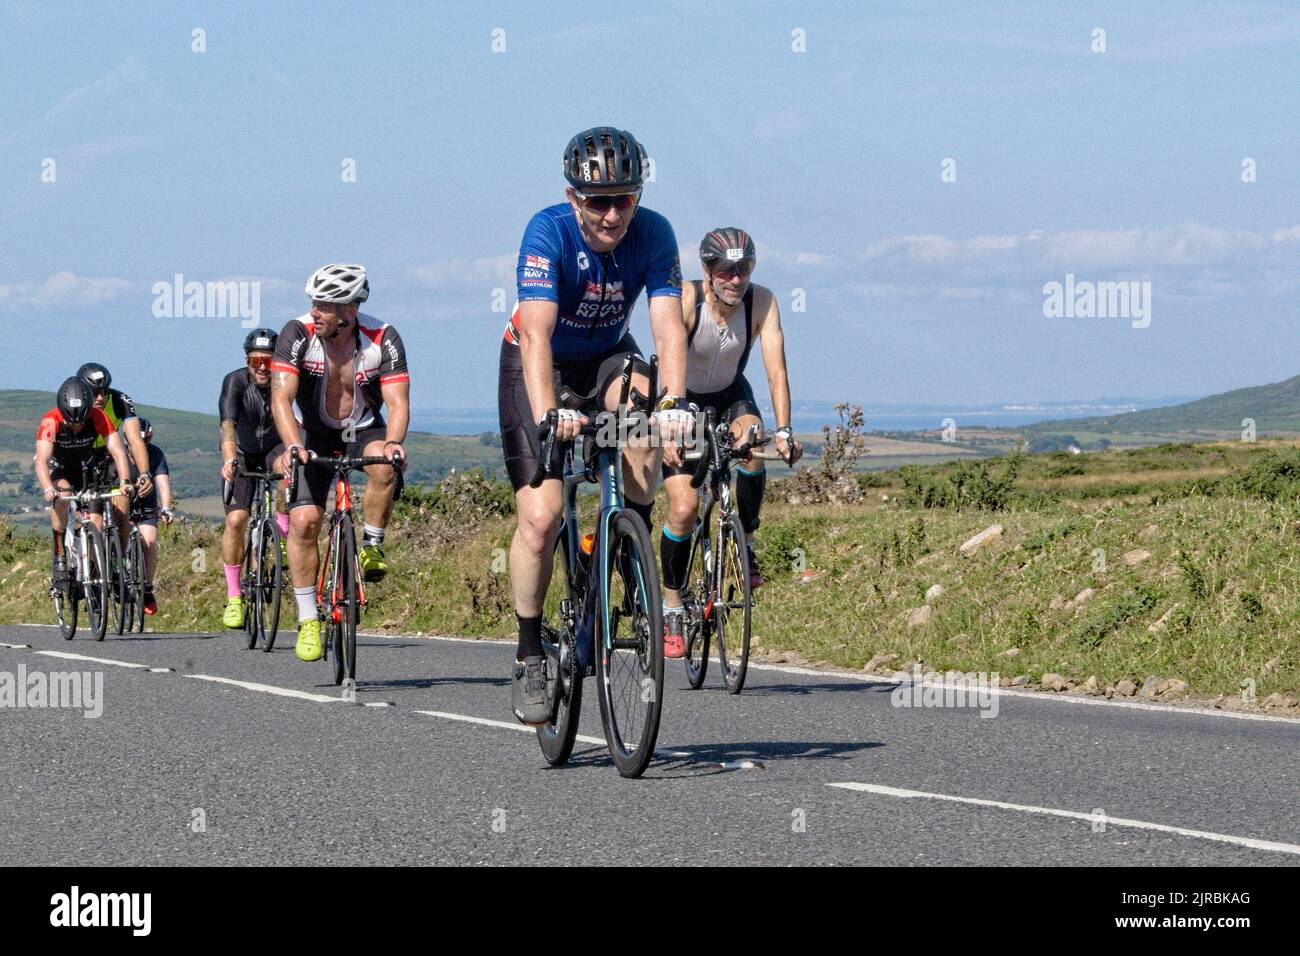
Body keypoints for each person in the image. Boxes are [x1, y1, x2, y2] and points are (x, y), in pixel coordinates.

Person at [499, 126, 691, 724]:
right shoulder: (547, 230)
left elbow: (667, 328)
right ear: (573, 196)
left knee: (644, 418)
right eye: (598, 201)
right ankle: (531, 653)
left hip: (609, 355)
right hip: (540, 363)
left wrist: (675, 406)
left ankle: (626, 547)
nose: (612, 214)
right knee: (540, 518)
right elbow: (535, 334)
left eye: (624, 199)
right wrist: (548, 413)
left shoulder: (655, 233)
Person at [659, 228, 803, 647]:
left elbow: (776, 369)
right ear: (707, 270)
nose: (735, 279)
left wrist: (785, 429)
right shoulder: (687, 299)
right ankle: (671, 605)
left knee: (753, 442)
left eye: (743, 270)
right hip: (680, 400)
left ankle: (748, 541)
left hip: (729, 395)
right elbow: (668, 360)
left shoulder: (763, 301)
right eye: (725, 270)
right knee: (684, 508)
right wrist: (668, 420)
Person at [271, 264, 409, 663]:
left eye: (325, 306)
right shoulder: (296, 333)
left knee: (384, 464)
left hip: (362, 428)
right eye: (314, 303)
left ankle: (371, 545)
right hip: (312, 435)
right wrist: (293, 445)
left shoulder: (383, 337)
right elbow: (281, 399)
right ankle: (308, 617)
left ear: (349, 312)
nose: (315, 312)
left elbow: (398, 402)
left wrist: (395, 442)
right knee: (305, 522)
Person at [218, 328, 292, 629]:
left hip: (274, 447)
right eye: (256, 360)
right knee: (236, 521)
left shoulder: (286, 380)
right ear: (247, 361)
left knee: (291, 471)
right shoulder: (235, 381)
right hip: (244, 452)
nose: (262, 367)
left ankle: (281, 534)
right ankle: (234, 596)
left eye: (269, 361)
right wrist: (229, 458)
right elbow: (227, 423)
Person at [34, 378, 134, 583]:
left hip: (87, 470)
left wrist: (125, 480)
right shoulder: (50, 421)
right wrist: (47, 488)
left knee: (96, 521)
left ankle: (95, 576)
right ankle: (60, 552)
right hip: (60, 470)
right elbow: (41, 461)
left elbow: (118, 451)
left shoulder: (98, 416)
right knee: (63, 495)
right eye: (72, 422)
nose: (78, 426)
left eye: (82, 420)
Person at [76, 362, 152, 553]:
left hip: (108, 455)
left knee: (122, 512)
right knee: (93, 520)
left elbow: (135, 441)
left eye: (104, 391)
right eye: (95, 393)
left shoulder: (120, 400)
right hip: (80, 457)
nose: (101, 397)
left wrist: (144, 473)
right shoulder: (74, 400)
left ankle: (118, 563)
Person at [126, 418, 174, 615]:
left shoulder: (155, 454)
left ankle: (147, 588)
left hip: (146, 509)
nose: (140, 447)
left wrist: (166, 507)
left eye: (146, 442)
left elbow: (162, 481)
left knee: (150, 542)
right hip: (124, 509)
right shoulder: (118, 454)